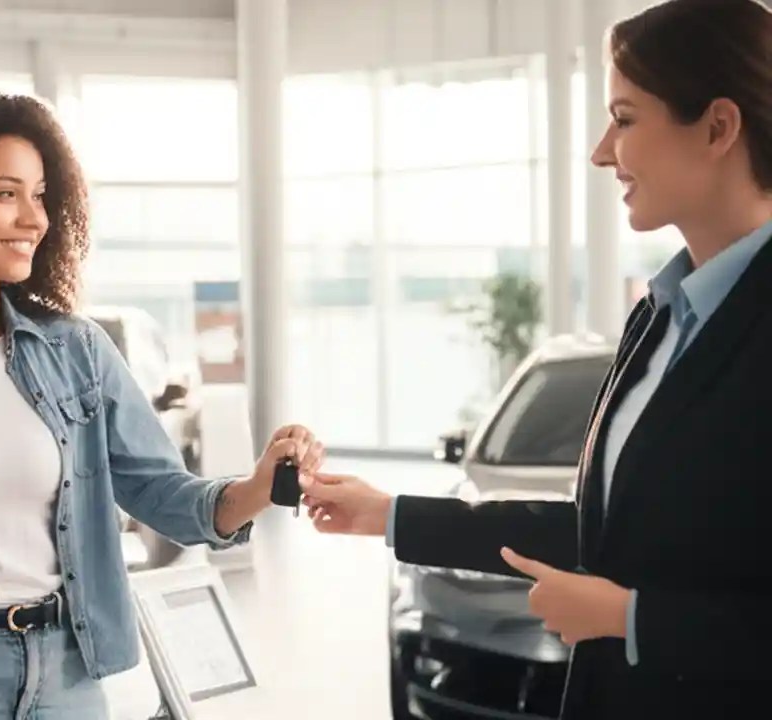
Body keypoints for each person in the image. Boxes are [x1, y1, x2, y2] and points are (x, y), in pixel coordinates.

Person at [299, 0, 772, 717]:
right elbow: (595, 532)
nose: (601, 150)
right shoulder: (660, 317)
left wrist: (630, 619)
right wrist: (388, 515)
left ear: (717, 126)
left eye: (625, 117)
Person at [0, 93, 322, 719]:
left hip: (67, 674)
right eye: (6, 193)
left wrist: (260, 486)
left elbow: (163, 496)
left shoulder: (77, 352)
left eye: (40, 196)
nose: (34, 219)